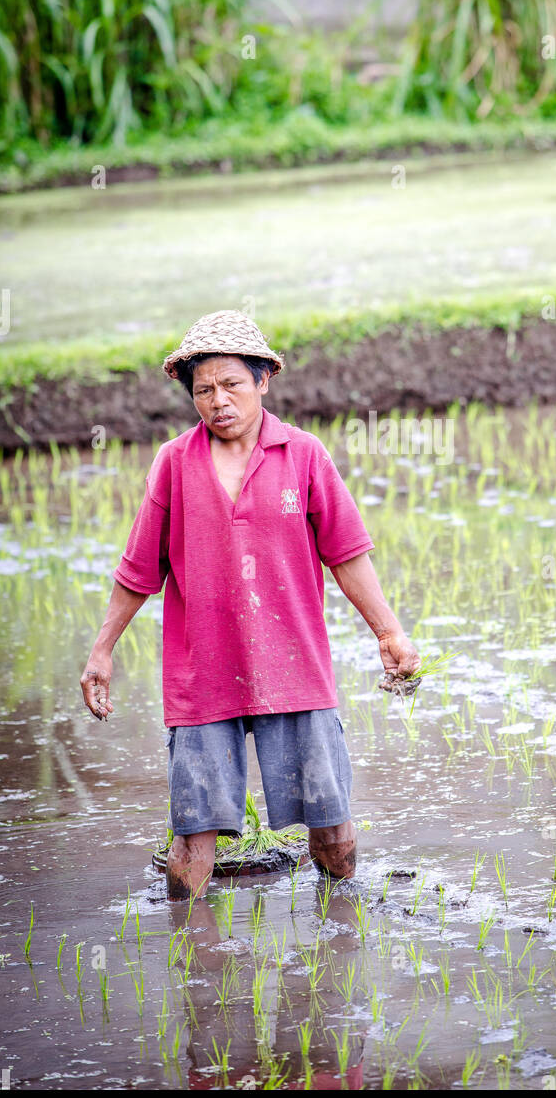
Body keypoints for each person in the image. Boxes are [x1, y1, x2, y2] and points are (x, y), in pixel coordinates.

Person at [79, 309, 419, 899]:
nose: (218, 401)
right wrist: (101, 651)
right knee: (193, 833)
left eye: (232, 384)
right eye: (203, 390)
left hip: (295, 665)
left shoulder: (305, 455)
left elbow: (346, 553)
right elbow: (139, 569)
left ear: (263, 380)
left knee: (332, 826)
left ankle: (337, 934)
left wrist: (388, 633)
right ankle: (195, 953)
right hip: (202, 670)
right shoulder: (173, 463)